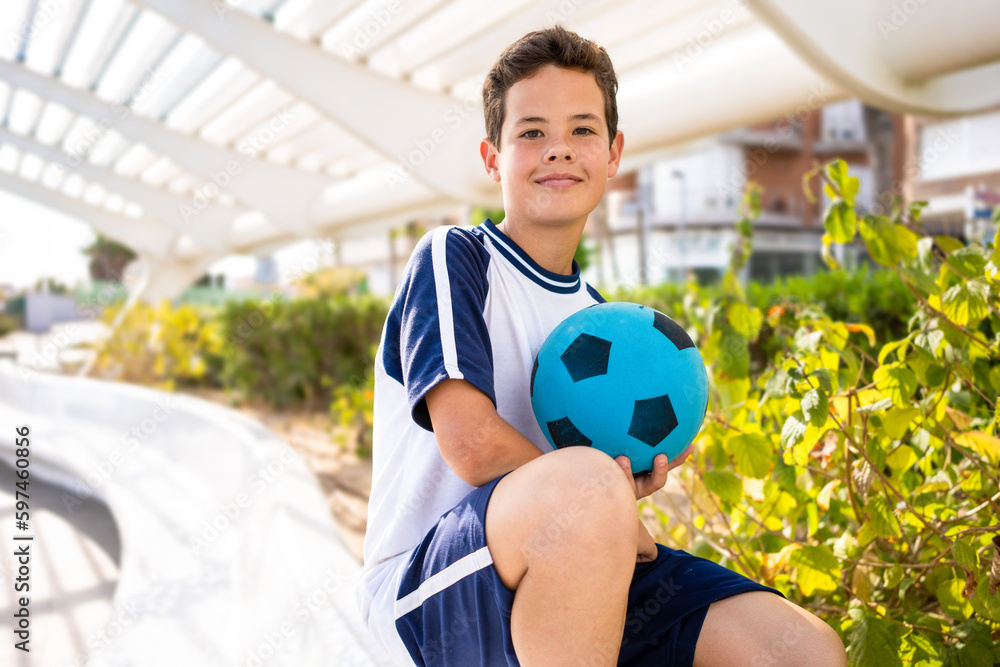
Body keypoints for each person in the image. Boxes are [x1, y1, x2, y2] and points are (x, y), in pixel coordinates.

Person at [357, 25, 847, 667]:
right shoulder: (456, 259)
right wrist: (604, 500)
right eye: (531, 132)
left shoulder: (601, 321)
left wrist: (625, 487)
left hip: (569, 552)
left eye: (582, 130)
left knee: (803, 651)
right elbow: (472, 444)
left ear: (613, 153)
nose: (558, 149)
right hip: (425, 593)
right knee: (585, 488)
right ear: (491, 157)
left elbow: (586, 488)